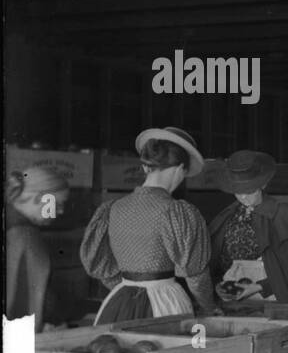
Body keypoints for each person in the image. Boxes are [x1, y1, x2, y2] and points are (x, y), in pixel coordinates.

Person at [81, 126, 218, 323]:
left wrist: (130, 290)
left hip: (118, 302)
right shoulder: (177, 212)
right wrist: (208, 309)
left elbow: (101, 268)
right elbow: (196, 275)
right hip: (165, 302)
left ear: (146, 167)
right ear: (180, 169)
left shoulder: (110, 209)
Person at [209, 150, 288, 304]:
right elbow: (217, 258)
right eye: (237, 191)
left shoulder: (282, 214)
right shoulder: (229, 214)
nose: (243, 196)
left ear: (263, 184)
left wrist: (258, 287)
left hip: (271, 295)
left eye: (249, 191)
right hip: (233, 294)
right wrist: (221, 285)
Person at [6, 165, 71, 331]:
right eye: (58, 204)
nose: (61, 211)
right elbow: (25, 304)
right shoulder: (26, 236)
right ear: (39, 198)